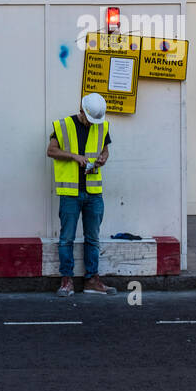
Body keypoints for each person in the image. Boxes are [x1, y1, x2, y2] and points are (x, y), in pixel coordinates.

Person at [47, 93, 116, 297]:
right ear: (81, 110)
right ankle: (66, 281)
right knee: (66, 238)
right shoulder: (63, 125)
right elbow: (51, 151)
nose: (90, 123)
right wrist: (74, 157)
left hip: (93, 191)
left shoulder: (101, 126)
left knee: (93, 238)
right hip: (70, 192)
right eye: (88, 118)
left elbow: (105, 150)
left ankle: (91, 280)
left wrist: (103, 158)